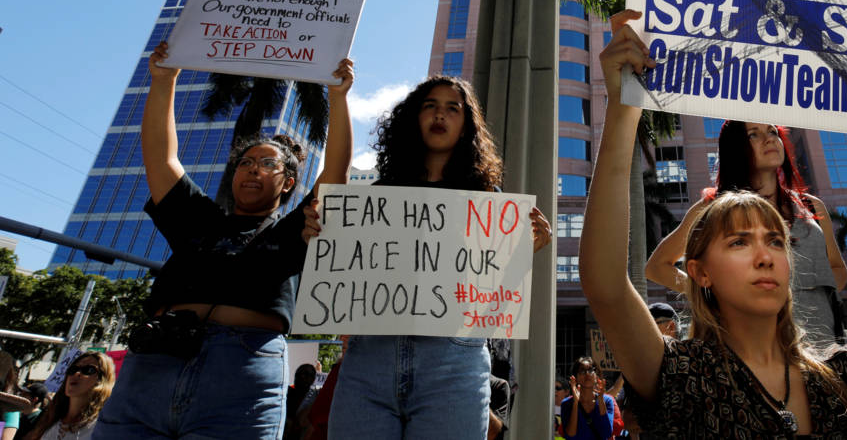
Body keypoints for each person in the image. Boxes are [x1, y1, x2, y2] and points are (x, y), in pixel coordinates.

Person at [583, 14, 847, 437]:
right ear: (700, 270)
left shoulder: (845, 382)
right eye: (740, 241)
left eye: (777, 241)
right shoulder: (681, 376)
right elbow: (608, 286)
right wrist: (622, 110)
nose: (765, 256)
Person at [95, 41, 355, 440]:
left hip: (241, 372)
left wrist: (338, 97)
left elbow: (335, 172)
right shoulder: (198, 217)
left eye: (267, 164)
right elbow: (162, 158)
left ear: (288, 183)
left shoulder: (295, 229)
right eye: (245, 163)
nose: (252, 170)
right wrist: (164, 80)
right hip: (155, 365)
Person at [319, 75, 552, 438]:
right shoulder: (379, 194)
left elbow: (494, 295)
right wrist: (319, 231)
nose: (440, 115)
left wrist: (526, 252)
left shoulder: (488, 200)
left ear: (466, 126)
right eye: (430, 106)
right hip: (371, 359)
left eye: (452, 108)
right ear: (415, 117)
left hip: (453, 358)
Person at [646, 120, 847, 346]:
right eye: (754, 135)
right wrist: (714, 295)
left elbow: (837, 268)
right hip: (749, 351)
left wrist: (810, 291)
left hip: (823, 351)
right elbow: (657, 267)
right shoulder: (712, 208)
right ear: (735, 148)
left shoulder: (811, 206)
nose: (769, 138)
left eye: (773, 132)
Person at [27, 353, 115, 440]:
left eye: (88, 370)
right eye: (73, 369)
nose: (77, 373)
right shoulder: (51, 417)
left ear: (102, 379)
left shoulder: (104, 425)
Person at [560, 357, 615, 440]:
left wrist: (600, 400)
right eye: (582, 371)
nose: (587, 374)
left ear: (597, 376)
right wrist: (575, 403)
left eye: (590, 370)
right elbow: (570, 436)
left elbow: (607, 433)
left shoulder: (607, 401)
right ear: (575, 378)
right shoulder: (567, 403)